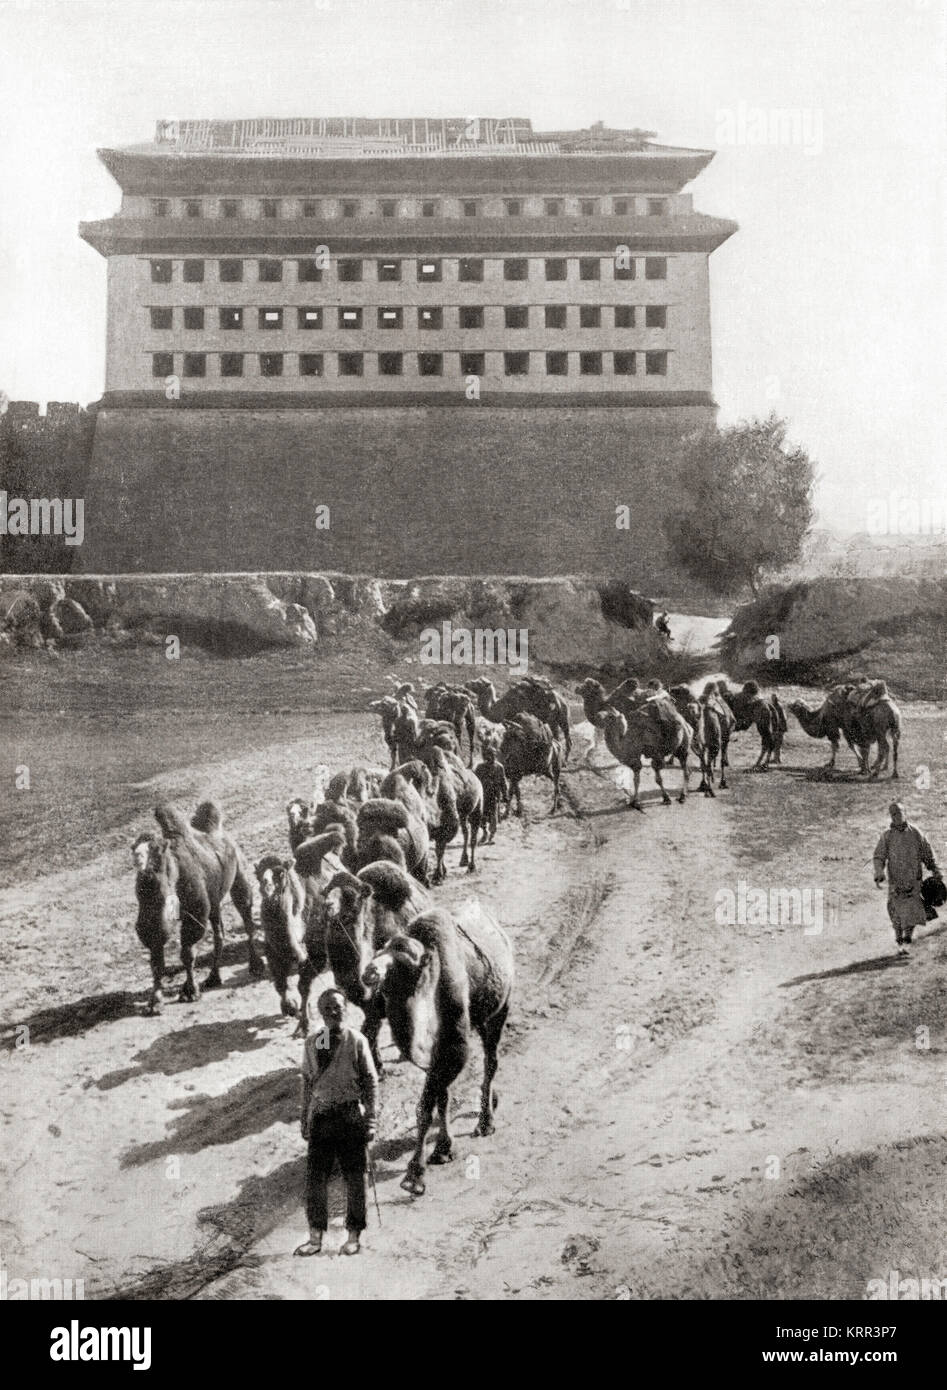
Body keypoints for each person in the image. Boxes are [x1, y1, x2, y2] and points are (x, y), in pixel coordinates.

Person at [295, 988, 378, 1256]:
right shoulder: (315, 1042)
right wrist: (304, 1117)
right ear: (321, 1012)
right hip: (321, 1117)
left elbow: (370, 1081)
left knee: (355, 1177)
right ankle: (315, 1238)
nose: (333, 1012)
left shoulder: (356, 1041)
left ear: (346, 1009)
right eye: (327, 1008)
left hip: (350, 1116)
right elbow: (308, 1081)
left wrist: (371, 1119)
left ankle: (353, 1236)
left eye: (338, 1006)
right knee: (315, 1179)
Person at [873, 802, 942, 956]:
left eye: (899, 812)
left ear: (906, 813)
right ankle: (899, 942)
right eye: (893, 814)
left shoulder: (916, 833)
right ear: (890, 816)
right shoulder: (887, 836)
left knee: (912, 912)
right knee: (896, 914)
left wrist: (935, 869)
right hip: (896, 882)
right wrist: (879, 872)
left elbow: (927, 853)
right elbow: (879, 856)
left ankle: (907, 940)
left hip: (913, 881)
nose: (896, 816)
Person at [475, 742, 509, 843]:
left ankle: (491, 836)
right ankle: (485, 832)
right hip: (483, 796)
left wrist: (505, 795)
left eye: (494, 755)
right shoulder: (480, 768)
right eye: (490, 755)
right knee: (482, 817)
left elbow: (503, 782)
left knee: (493, 817)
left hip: (494, 796)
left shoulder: (499, 767)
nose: (492, 757)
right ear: (486, 756)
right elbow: (475, 782)